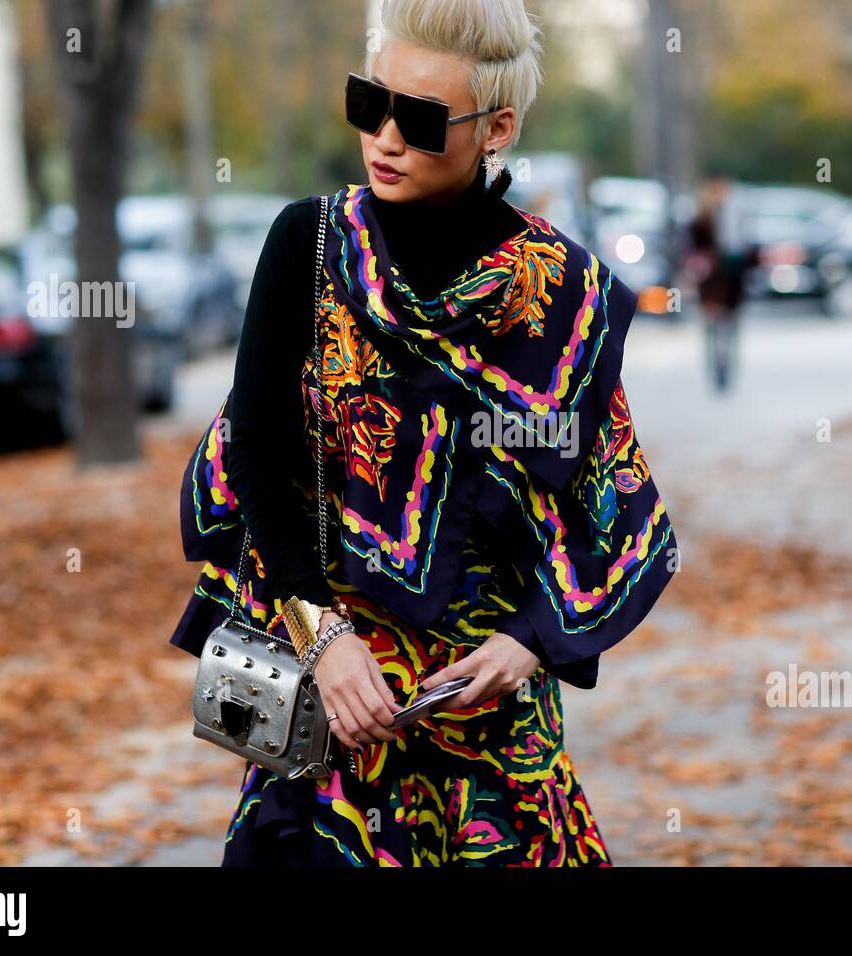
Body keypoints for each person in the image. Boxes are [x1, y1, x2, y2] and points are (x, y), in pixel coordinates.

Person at [166, 0, 678, 866]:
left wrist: (527, 643)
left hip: (490, 722)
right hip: (332, 704)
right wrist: (320, 637)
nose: (386, 138)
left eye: (422, 118)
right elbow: (253, 446)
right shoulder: (311, 244)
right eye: (371, 103)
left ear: (498, 128)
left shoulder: (565, 292)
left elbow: (613, 496)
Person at [685, 177, 747, 391]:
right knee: (713, 326)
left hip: (731, 280)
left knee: (730, 326)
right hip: (711, 281)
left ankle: (727, 367)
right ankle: (717, 368)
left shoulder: (735, 214)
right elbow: (693, 248)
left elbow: (743, 247)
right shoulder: (702, 218)